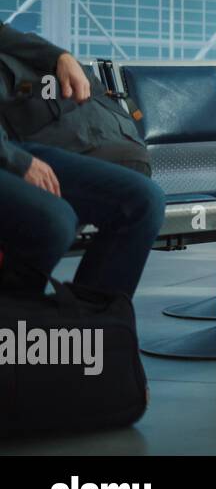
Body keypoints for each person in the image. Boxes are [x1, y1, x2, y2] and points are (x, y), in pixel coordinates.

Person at [0, 23, 166, 298]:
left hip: (14, 144)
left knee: (144, 200)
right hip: (12, 152)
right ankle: (19, 325)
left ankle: (91, 326)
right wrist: (18, 162)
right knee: (54, 220)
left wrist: (60, 56)